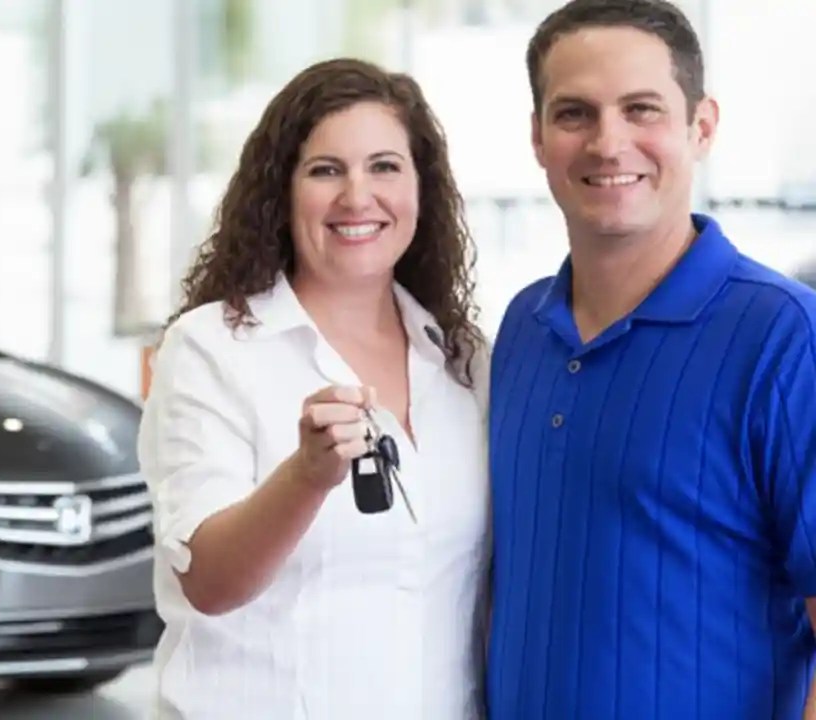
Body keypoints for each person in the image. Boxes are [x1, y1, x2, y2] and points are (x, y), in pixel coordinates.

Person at [486, 1, 816, 718]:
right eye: (574, 114)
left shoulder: (784, 335)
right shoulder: (518, 329)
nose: (609, 143)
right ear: (538, 139)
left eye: (642, 110)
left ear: (701, 127)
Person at [138, 57, 490, 719]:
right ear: (281, 192)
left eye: (384, 166)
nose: (358, 196)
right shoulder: (211, 348)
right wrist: (305, 475)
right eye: (326, 170)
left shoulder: (464, 360)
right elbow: (209, 582)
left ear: (423, 187)